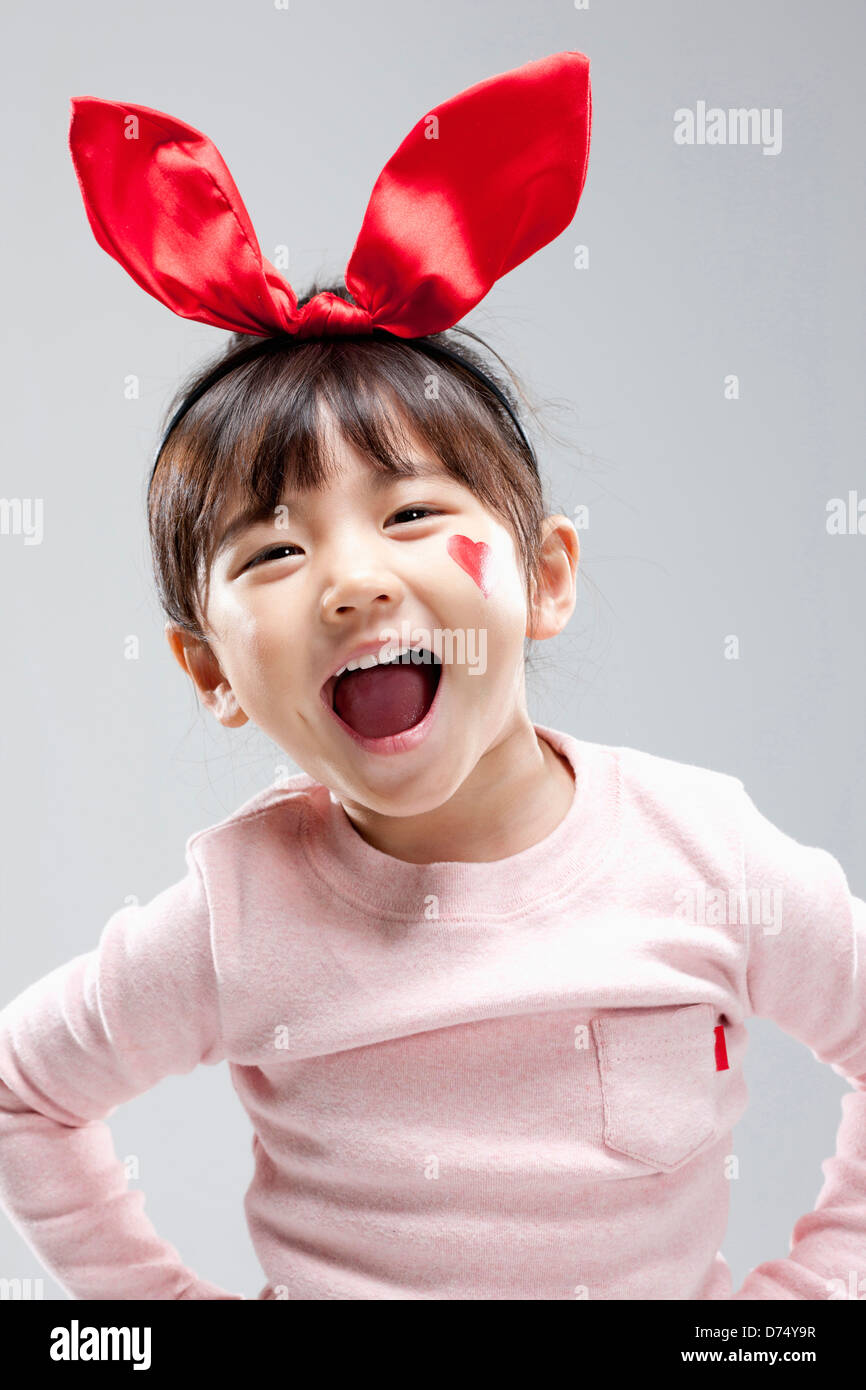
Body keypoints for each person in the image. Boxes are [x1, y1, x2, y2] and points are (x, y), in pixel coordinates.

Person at [0, 51, 863, 1301]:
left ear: (546, 578)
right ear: (209, 669)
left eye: (411, 516)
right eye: (277, 549)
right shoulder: (239, 913)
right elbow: (25, 1092)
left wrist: (798, 1316)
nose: (352, 581)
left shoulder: (706, 854)